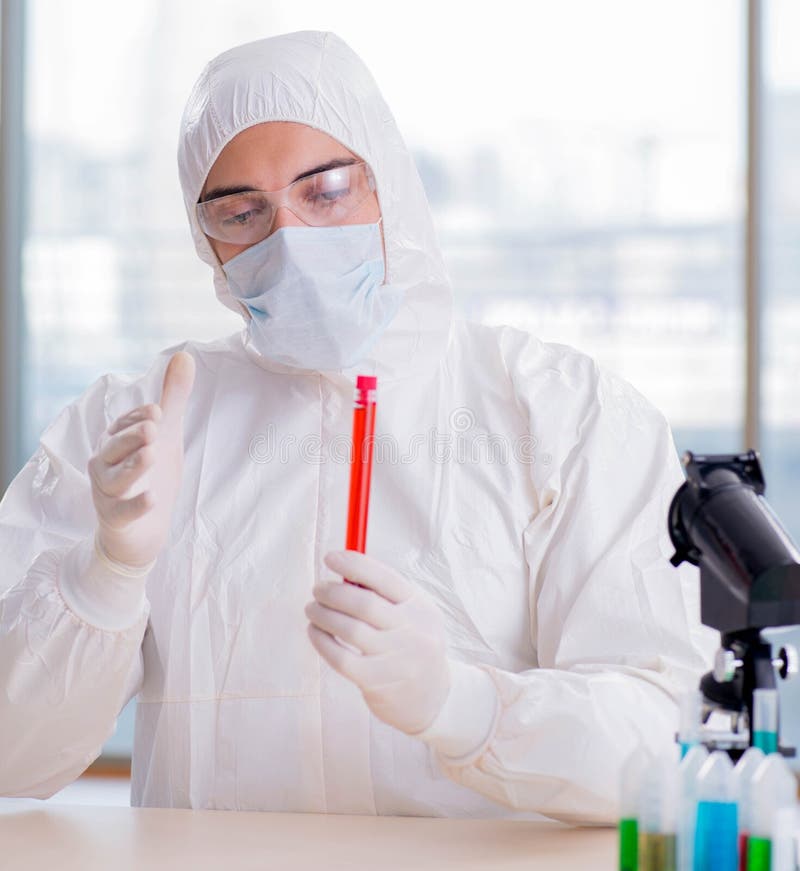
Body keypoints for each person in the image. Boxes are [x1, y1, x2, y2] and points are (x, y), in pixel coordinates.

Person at [0, 31, 715, 822]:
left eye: (327, 191)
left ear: (388, 183)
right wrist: (106, 571)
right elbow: (12, 756)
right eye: (241, 212)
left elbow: (666, 741)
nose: (290, 242)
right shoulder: (135, 430)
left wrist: (461, 705)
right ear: (207, 241)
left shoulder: (562, 413)